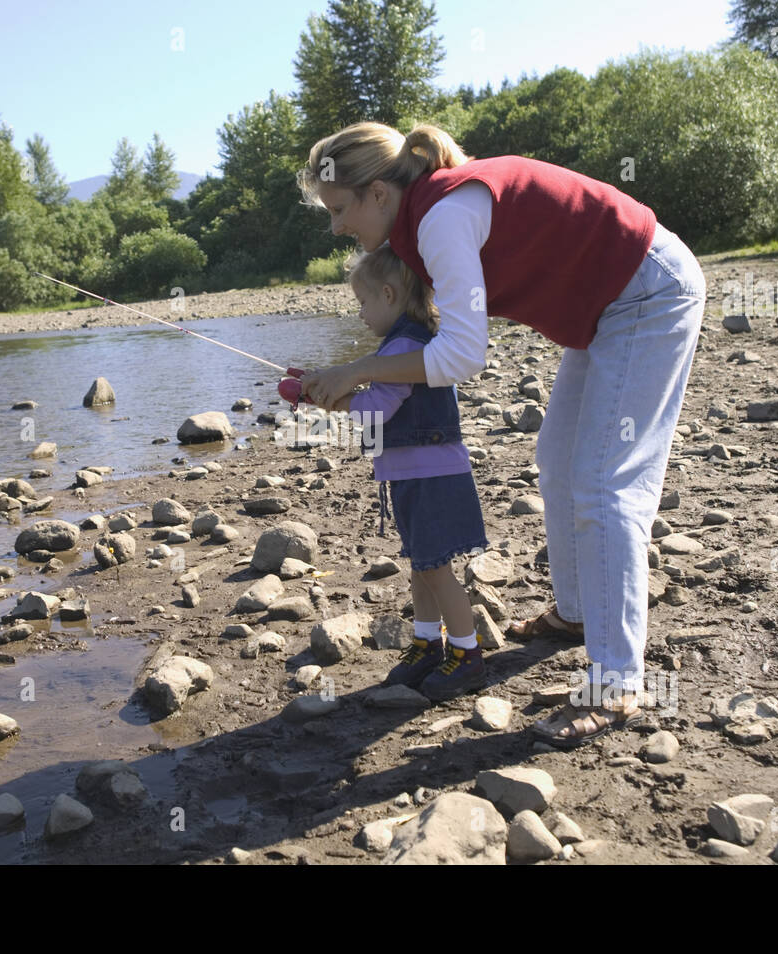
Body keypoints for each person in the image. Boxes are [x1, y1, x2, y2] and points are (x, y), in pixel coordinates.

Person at [296, 122, 706, 748]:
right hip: (611, 303)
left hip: (648, 291)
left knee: (605, 483)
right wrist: (349, 385)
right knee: (558, 458)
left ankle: (618, 682)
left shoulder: (441, 215)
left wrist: (359, 370)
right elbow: (431, 343)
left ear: (378, 193)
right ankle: (573, 614)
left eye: (338, 209)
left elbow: (462, 356)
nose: (334, 227)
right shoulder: (422, 221)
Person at [315, 243, 491, 700]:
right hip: (418, 474)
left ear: (389, 295)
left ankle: (467, 654)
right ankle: (428, 642)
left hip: (430, 476)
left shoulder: (404, 346)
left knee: (435, 569)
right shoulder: (405, 343)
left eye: (363, 303)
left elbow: (377, 407)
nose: (360, 315)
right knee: (424, 564)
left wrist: (334, 398)